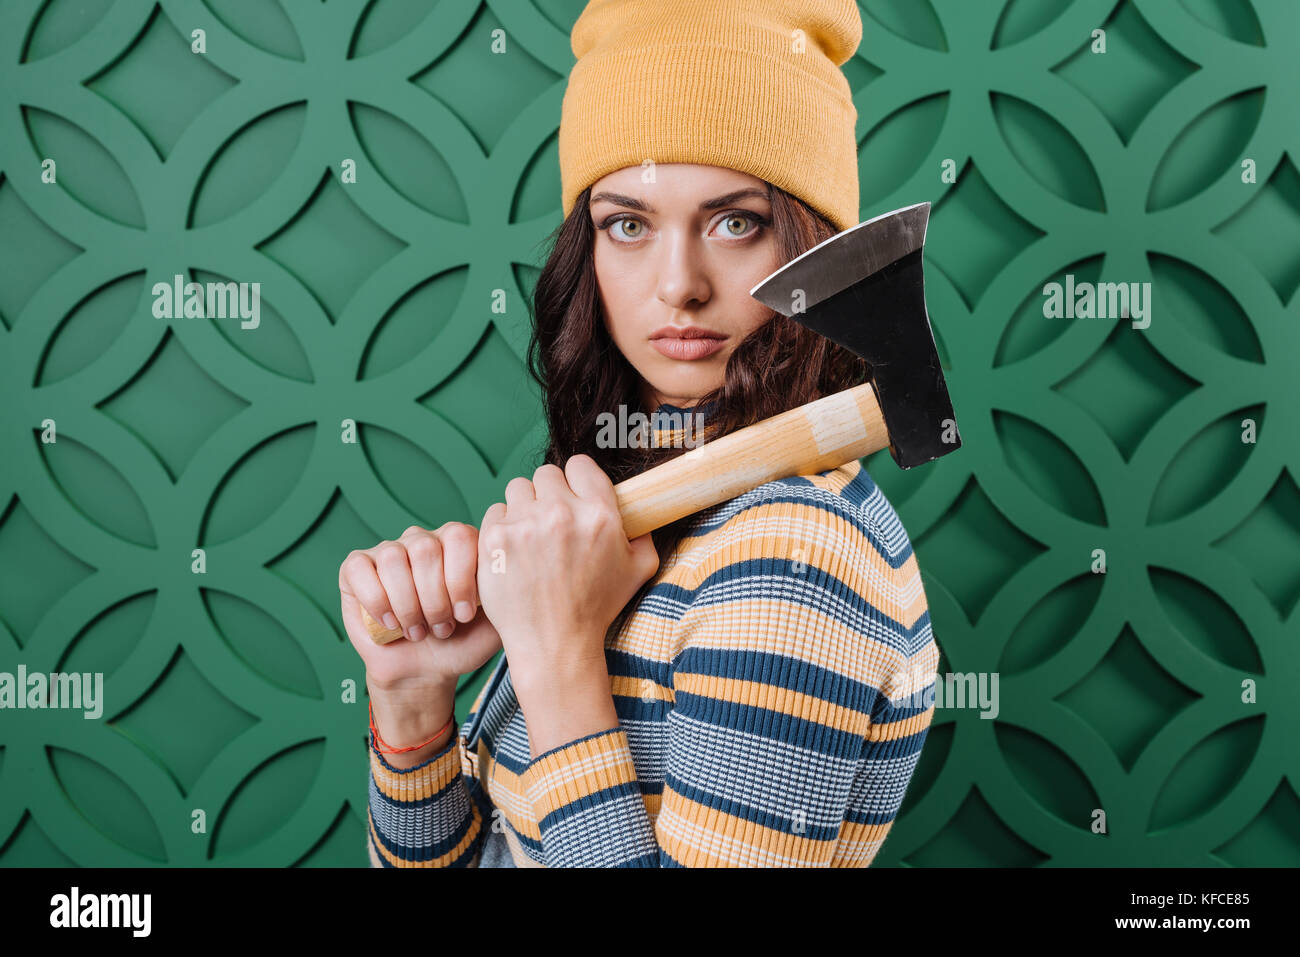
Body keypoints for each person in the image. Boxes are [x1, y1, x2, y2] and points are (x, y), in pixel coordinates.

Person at [342, 0, 939, 867]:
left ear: (813, 244)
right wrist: (411, 704)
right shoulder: (628, 508)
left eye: (737, 221)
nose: (678, 286)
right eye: (628, 223)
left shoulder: (793, 555)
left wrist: (555, 660)